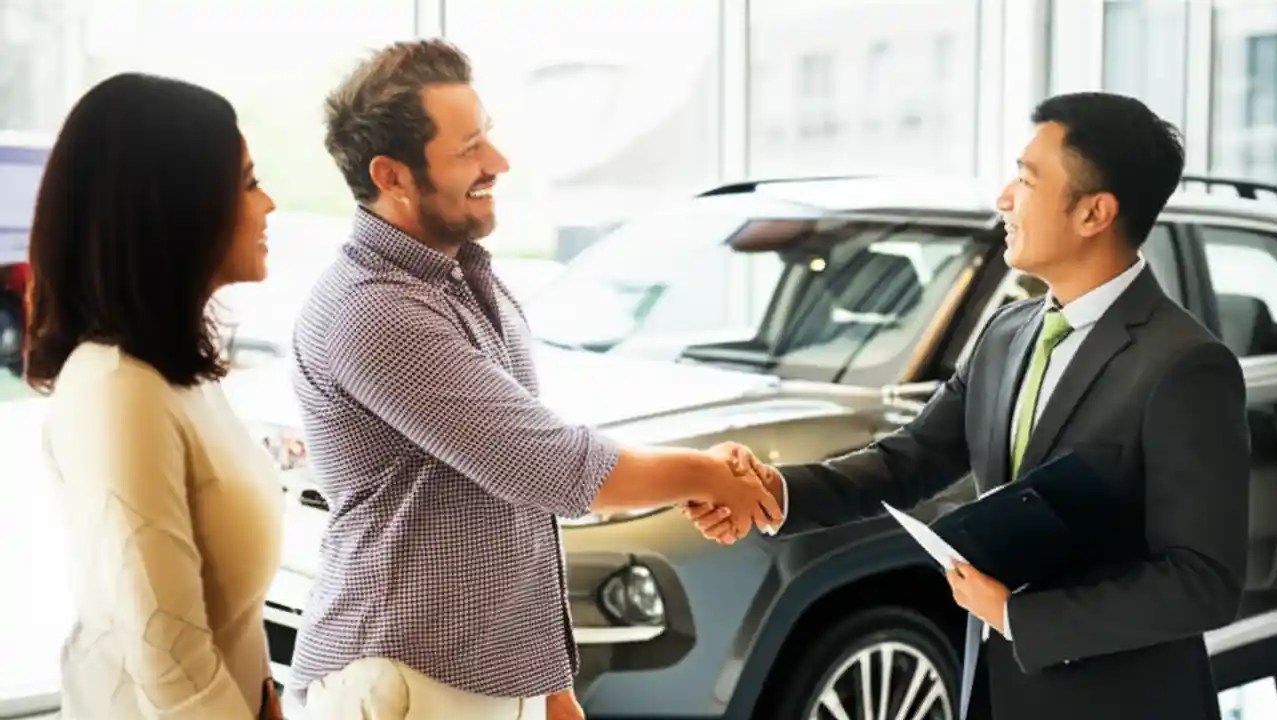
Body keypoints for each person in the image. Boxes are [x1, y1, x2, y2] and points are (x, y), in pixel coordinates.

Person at [688, 92, 1249, 720]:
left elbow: (1203, 582)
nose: (1004, 198)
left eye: (1027, 181)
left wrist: (1016, 615)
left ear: (1095, 212)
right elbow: (911, 459)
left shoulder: (1185, 365)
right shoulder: (1007, 331)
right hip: (995, 691)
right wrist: (774, 493)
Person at [288, 39, 780, 720]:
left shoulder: (457, 279)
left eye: (487, 137)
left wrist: (547, 686)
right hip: (402, 678)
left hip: (470, 678)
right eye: (468, 150)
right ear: (392, 176)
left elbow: (508, 493)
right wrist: (706, 475)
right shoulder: (374, 310)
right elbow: (546, 466)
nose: (498, 162)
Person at [25, 73, 284, 719]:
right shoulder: (117, 389)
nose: (270, 204)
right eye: (249, 183)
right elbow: (173, 664)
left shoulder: (175, 376)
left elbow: (232, 622)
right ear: (177, 205)